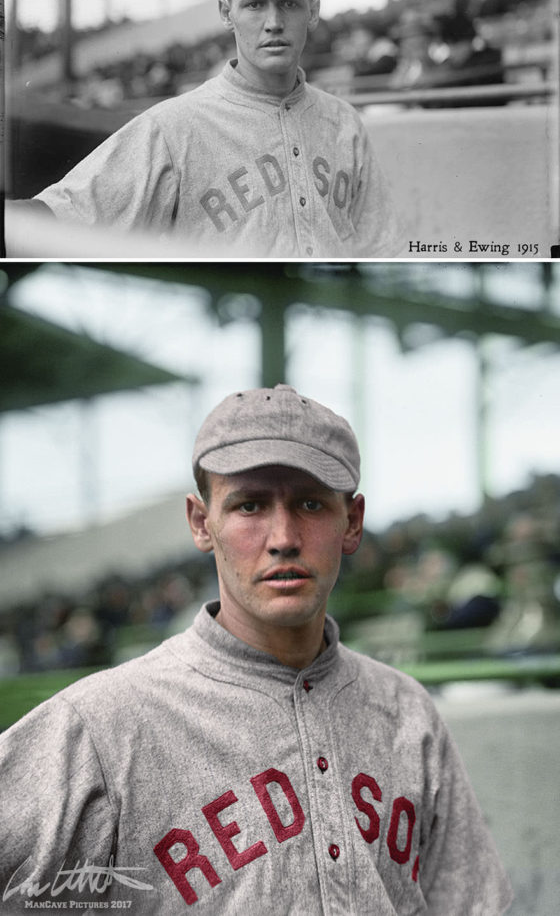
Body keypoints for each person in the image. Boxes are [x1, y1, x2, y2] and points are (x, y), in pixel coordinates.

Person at [0, 385, 513, 915]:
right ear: (202, 523)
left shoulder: (407, 710)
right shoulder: (103, 724)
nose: (284, 536)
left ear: (352, 522)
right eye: (249, 505)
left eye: (310, 504)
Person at [6, 0, 401, 260]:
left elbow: (383, 247)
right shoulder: (175, 125)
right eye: (254, 3)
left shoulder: (344, 121)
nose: (274, 22)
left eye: (289, 3)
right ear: (226, 13)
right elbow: (66, 215)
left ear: (312, 12)